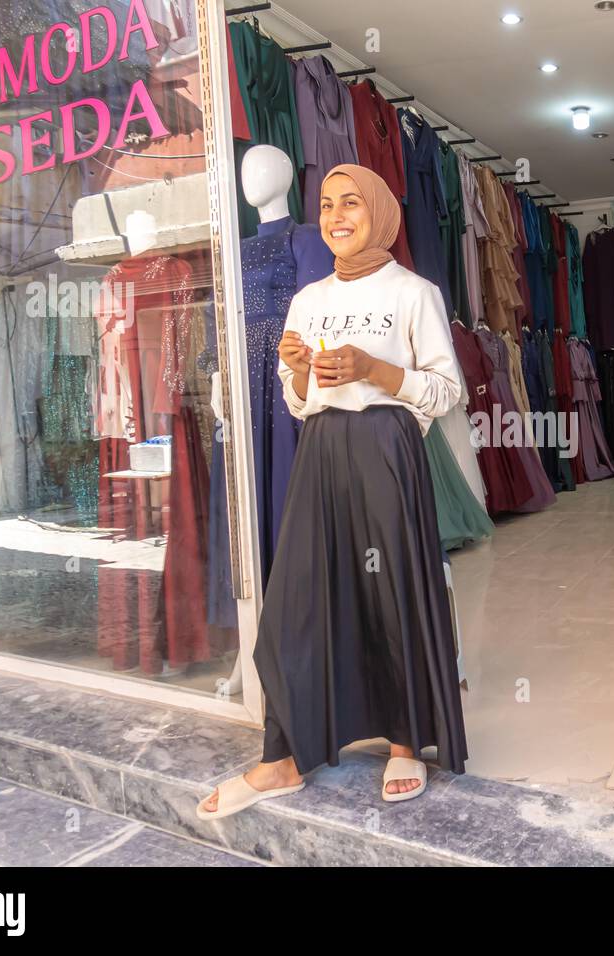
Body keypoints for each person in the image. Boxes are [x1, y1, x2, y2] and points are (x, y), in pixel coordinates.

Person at [198, 164, 468, 818]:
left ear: (379, 211)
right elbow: (300, 403)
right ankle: (283, 756)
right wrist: (296, 376)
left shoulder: (415, 292)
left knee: (389, 595)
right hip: (320, 452)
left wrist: (376, 370)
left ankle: (405, 742)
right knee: (293, 602)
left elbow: (447, 390)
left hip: (385, 450)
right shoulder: (310, 297)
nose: (337, 214)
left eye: (351, 202)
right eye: (326, 204)